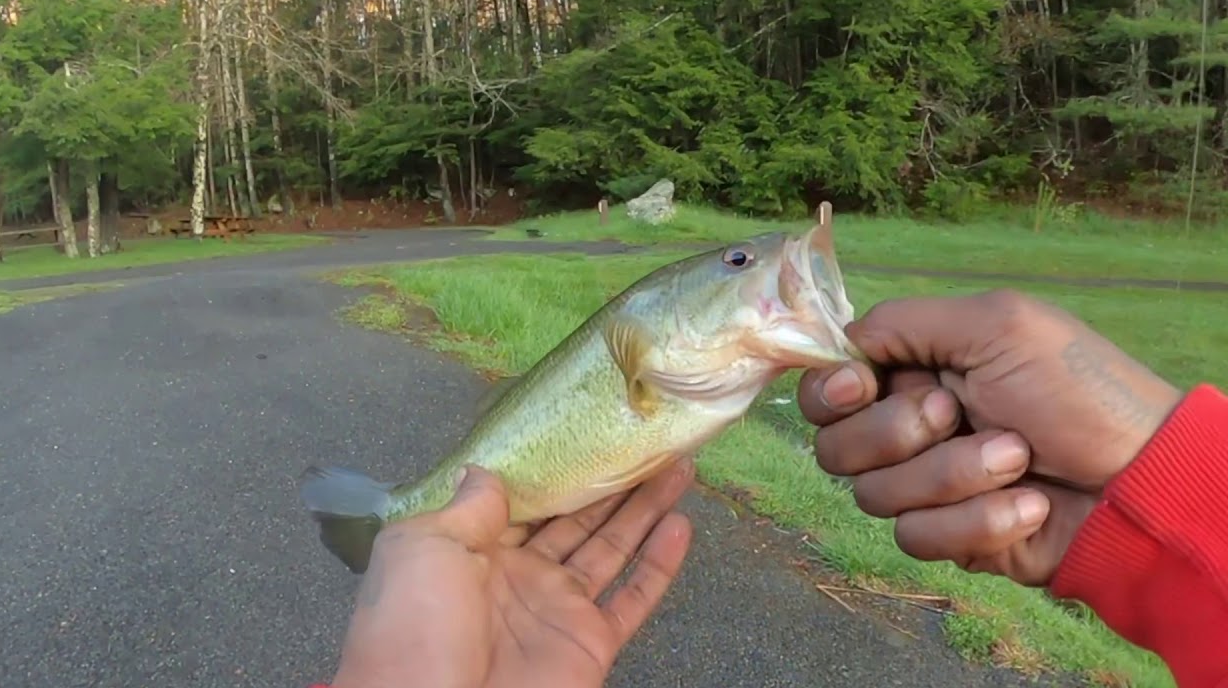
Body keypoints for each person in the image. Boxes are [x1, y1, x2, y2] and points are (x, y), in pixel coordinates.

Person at [309, 289, 1228, 688]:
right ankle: (392, 508)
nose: (762, 268)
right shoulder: (640, 356)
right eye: (741, 267)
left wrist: (1151, 481)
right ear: (650, 334)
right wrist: (1161, 479)